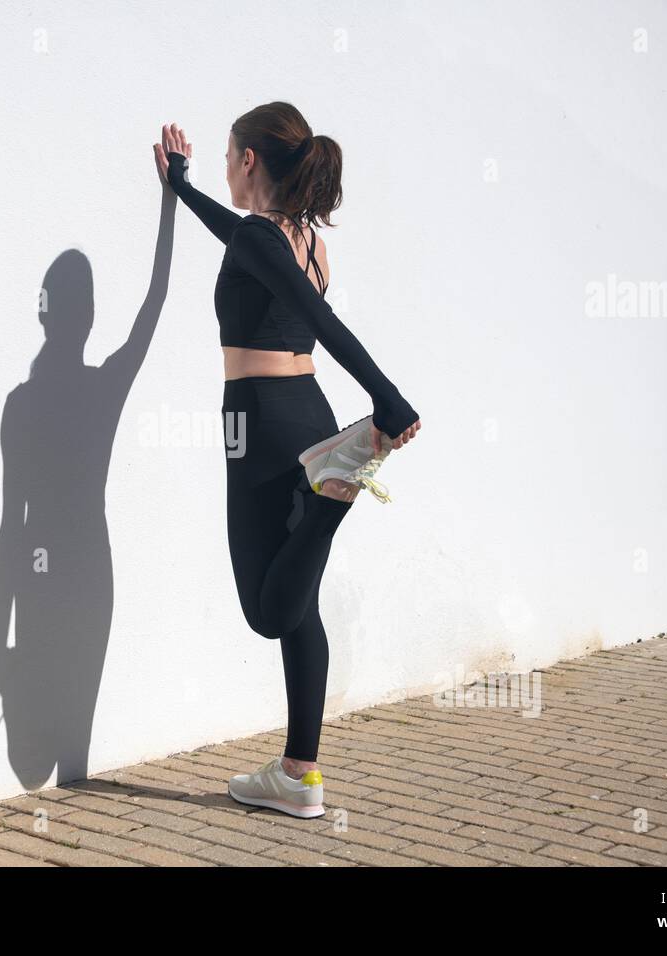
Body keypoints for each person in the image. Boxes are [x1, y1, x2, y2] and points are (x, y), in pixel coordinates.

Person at [154, 102, 422, 818]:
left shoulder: (259, 239)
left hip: (256, 423)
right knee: (300, 607)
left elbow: (325, 321)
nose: (224, 170)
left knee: (266, 611)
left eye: (225, 157)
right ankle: (300, 773)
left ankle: (334, 498)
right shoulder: (302, 241)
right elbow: (240, 239)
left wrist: (389, 400)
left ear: (248, 161)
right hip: (310, 414)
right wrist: (181, 189)